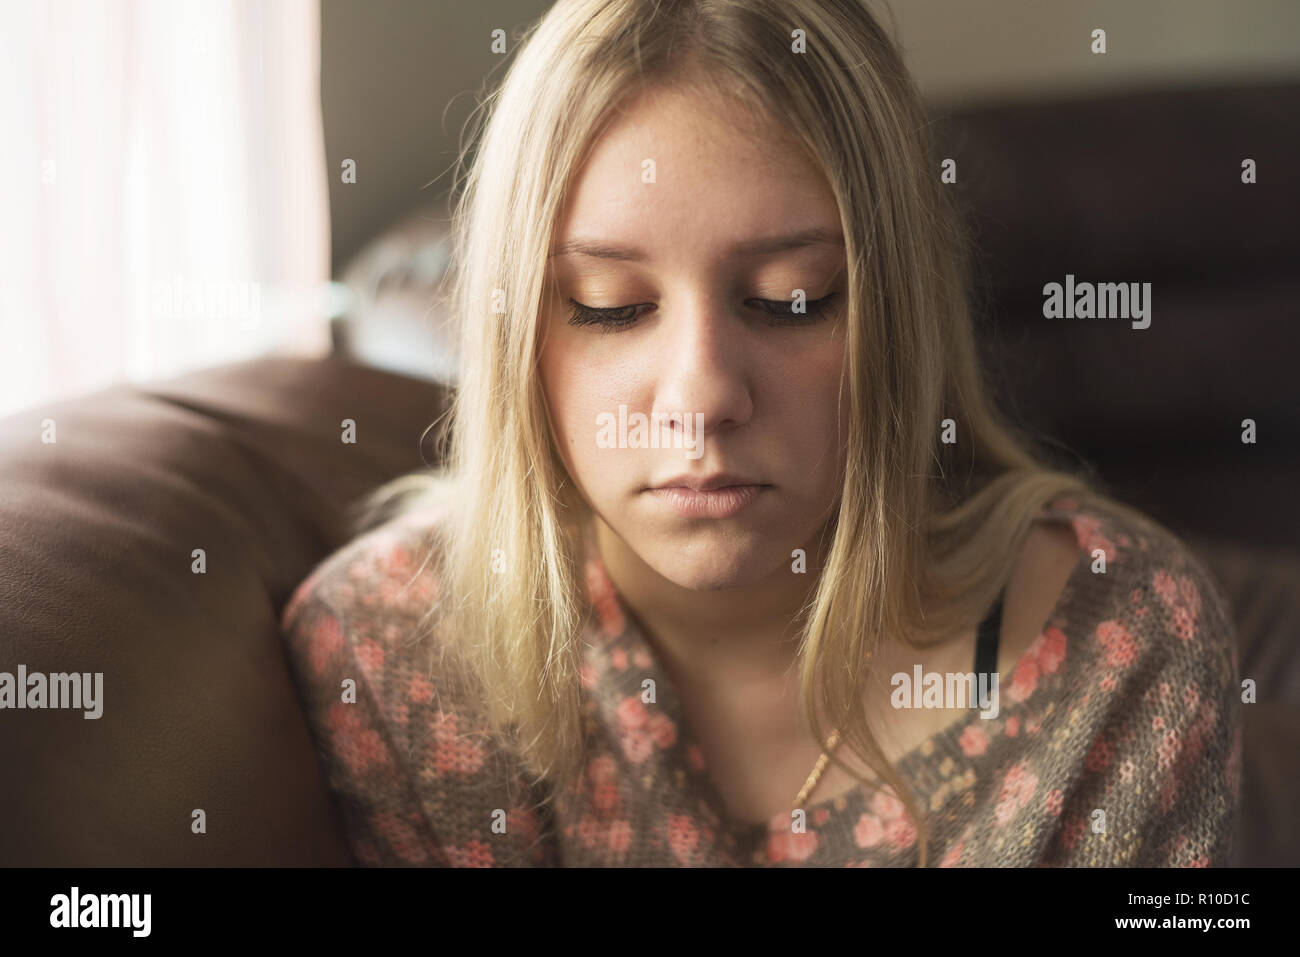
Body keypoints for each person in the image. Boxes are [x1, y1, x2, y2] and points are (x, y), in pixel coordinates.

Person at [280, 0, 1241, 867]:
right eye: (608, 306)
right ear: (513, 334)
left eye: (792, 300)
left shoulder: (1127, 643)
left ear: (897, 319)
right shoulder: (392, 656)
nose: (700, 396)